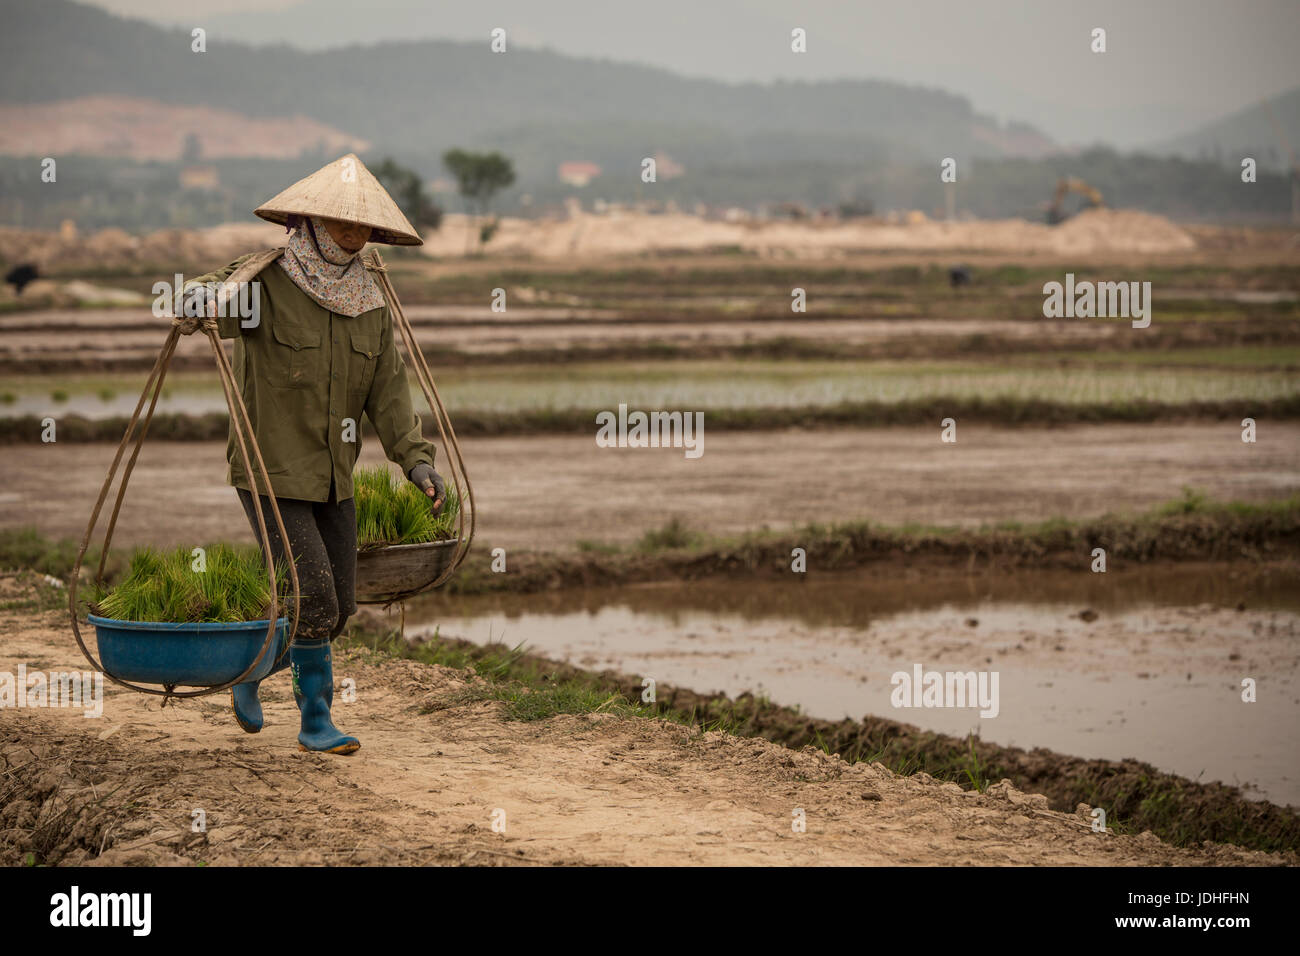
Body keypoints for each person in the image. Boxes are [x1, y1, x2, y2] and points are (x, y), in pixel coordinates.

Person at [176, 154, 444, 755]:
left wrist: (415, 459)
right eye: (341, 222)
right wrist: (195, 300)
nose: (353, 234)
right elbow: (204, 296)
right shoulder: (266, 281)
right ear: (312, 219)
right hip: (271, 471)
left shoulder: (370, 297)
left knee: (341, 606)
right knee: (315, 598)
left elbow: (389, 391)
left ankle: (250, 671)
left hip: (333, 476)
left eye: (362, 226)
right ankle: (315, 721)